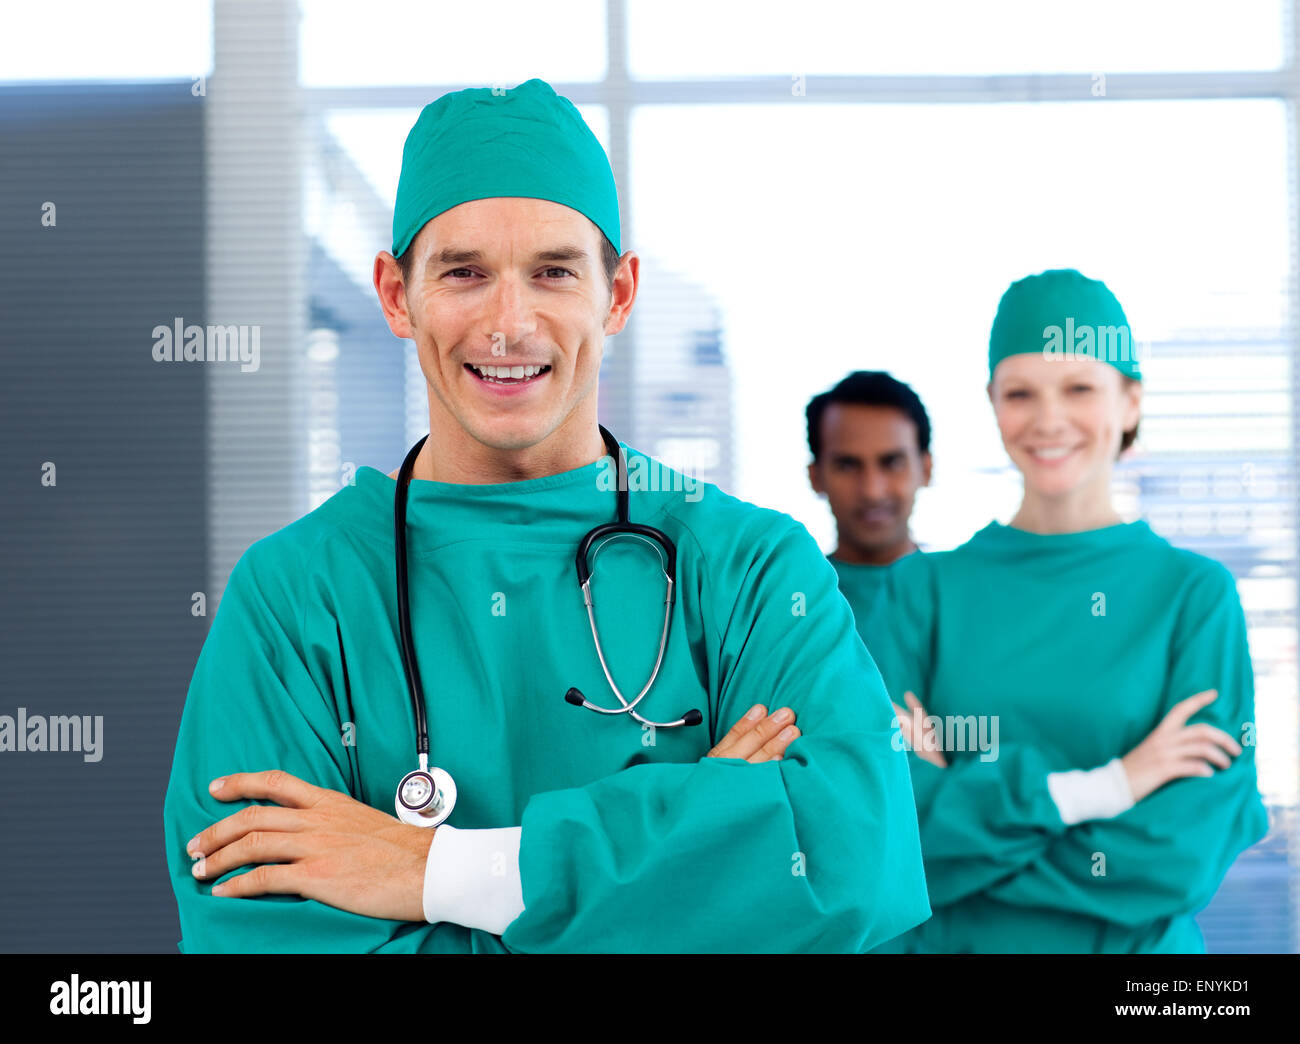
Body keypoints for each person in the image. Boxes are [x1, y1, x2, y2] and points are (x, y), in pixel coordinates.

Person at [162, 78, 930, 954]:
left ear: (619, 294)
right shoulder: (295, 599)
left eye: (554, 272)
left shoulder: (753, 570)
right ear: (394, 295)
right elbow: (256, 939)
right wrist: (694, 841)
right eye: (463, 273)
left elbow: (849, 863)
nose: (508, 324)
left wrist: (437, 873)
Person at [863, 268, 1269, 953]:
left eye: (1079, 388)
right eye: (1021, 393)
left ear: (1131, 401)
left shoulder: (1193, 597)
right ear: (993, 405)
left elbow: (1179, 859)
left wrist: (962, 813)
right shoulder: (919, 592)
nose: (1048, 420)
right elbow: (885, 835)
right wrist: (1113, 785)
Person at [806, 371, 932, 638]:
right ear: (815, 476)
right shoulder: (786, 610)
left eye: (892, 463)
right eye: (847, 465)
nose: (872, 492)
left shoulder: (968, 600)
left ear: (926, 469)